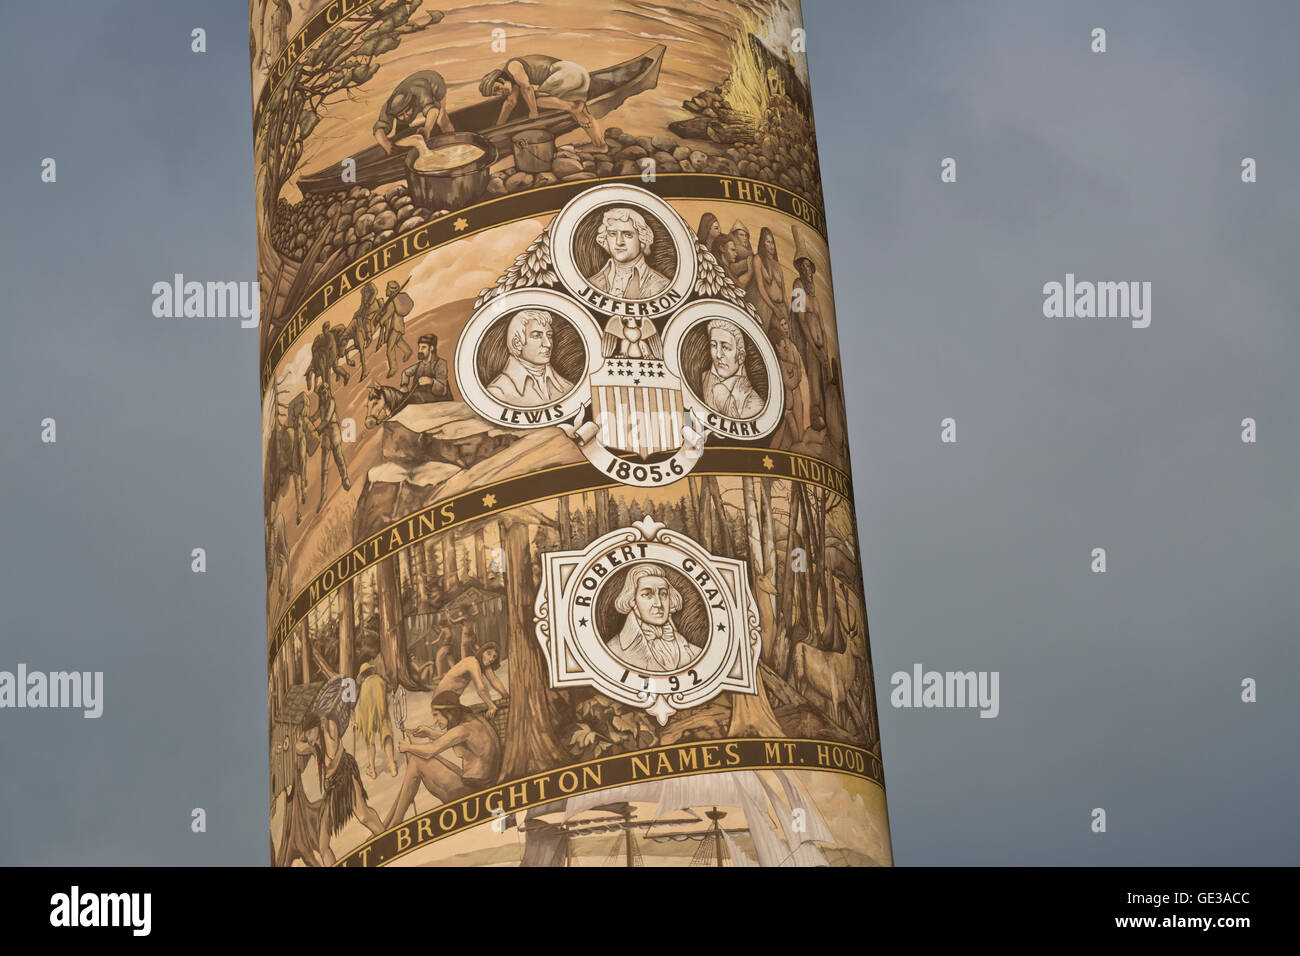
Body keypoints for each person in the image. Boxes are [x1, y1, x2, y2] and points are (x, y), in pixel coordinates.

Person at [296, 678, 384, 866]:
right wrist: (306, 736)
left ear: (316, 728)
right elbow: (297, 747)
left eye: (309, 733)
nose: (309, 738)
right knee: (322, 844)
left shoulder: (329, 730)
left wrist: (326, 720)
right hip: (331, 788)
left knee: (363, 814)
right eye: (307, 735)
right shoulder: (314, 747)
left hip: (345, 775)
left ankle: (384, 836)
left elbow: (339, 749)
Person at [385, 692, 503, 827]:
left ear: (448, 712)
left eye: (436, 715)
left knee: (417, 760)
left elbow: (431, 750)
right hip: (482, 785)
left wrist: (408, 747)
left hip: (472, 794)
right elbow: (456, 739)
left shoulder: (464, 729)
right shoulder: (474, 722)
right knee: (420, 759)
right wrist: (430, 732)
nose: (436, 721)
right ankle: (393, 818)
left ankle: (396, 821)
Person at [480, 55, 606, 152]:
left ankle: (572, 107)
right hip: (579, 74)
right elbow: (510, 102)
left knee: (538, 100)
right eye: (495, 94)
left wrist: (534, 112)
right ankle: (600, 145)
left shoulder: (512, 66)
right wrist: (499, 127)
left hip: (566, 73)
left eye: (497, 88)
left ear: (500, 79)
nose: (500, 93)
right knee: (583, 113)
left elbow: (527, 88)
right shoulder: (511, 81)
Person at [605, 564, 701, 672]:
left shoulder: (695, 652)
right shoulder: (612, 651)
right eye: (647, 594)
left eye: (663, 594)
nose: (658, 604)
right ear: (632, 600)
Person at [486, 310, 574, 406]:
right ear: (517, 343)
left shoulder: (568, 387)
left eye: (549, 335)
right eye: (536, 336)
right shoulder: (497, 392)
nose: (548, 344)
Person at [585, 208, 670, 299]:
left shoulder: (661, 286)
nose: (619, 242)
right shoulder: (591, 283)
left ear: (642, 239)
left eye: (628, 234)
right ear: (605, 238)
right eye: (612, 234)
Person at [373, 70, 453, 154]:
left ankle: (452, 144)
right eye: (400, 115)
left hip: (434, 83)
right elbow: (379, 129)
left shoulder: (420, 92)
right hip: (414, 85)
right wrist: (386, 145)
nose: (405, 116)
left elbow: (432, 109)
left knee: (441, 119)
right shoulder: (388, 108)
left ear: (412, 104)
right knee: (401, 130)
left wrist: (427, 128)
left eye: (407, 111)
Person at [701, 319, 763, 419]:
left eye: (725, 347)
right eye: (713, 345)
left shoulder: (755, 404)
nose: (718, 354)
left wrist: (721, 395)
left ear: (741, 356)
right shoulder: (702, 380)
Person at [433, 643, 507, 716]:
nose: (490, 659)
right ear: (482, 652)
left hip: (450, 701)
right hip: (440, 701)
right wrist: (491, 706)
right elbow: (481, 687)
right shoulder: (472, 662)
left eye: (494, 657)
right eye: (488, 653)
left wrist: (505, 696)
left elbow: (494, 680)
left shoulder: (483, 664)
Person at [355, 658, 399, 779]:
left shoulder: (363, 686)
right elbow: (389, 695)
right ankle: (392, 766)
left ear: (363, 675)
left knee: (370, 741)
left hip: (369, 717)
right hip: (382, 713)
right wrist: (384, 707)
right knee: (387, 736)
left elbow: (362, 707)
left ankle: (372, 770)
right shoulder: (380, 680)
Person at [312, 380, 350, 510]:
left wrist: (317, 430)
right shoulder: (322, 405)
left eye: (324, 392)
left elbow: (327, 418)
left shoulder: (331, 402)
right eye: (321, 394)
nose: (323, 395)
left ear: (327, 392)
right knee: (324, 467)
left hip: (333, 430)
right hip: (325, 434)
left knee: (339, 457)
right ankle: (323, 495)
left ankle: (345, 479)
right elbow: (315, 416)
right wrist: (308, 421)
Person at [771, 311, 806, 445]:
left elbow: (798, 373)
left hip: (790, 405)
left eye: (786, 324)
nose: (785, 327)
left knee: (791, 436)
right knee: (782, 435)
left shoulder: (792, 348)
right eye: (782, 324)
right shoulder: (778, 364)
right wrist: (794, 370)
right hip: (784, 410)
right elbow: (791, 382)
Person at [376, 280, 414, 378]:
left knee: (390, 348)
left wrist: (380, 320)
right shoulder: (393, 301)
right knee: (398, 341)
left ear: (391, 290)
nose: (386, 290)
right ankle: (408, 351)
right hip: (397, 327)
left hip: (396, 327)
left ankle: (393, 368)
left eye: (387, 289)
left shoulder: (393, 302)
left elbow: (387, 315)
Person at [751, 226, 785, 334]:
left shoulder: (777, 265)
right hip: (768, 308)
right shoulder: (758, 259)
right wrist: (774, 308)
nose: (771, 246)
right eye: (768, 242)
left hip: (781, 307)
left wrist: (787, 310)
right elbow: (760, 287)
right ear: (763, 243)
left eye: (772, 243)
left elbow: (783, 291)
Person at [400, 333, 451, 403]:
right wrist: (404, 385)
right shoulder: (419, 365)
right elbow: (405, 373)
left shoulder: (440, 364)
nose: (419, 350)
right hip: (418, 401)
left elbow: (443, 390)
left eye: (423, 347)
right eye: (419, 347)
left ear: (431, 348)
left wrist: (431, 381)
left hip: (437, 404)